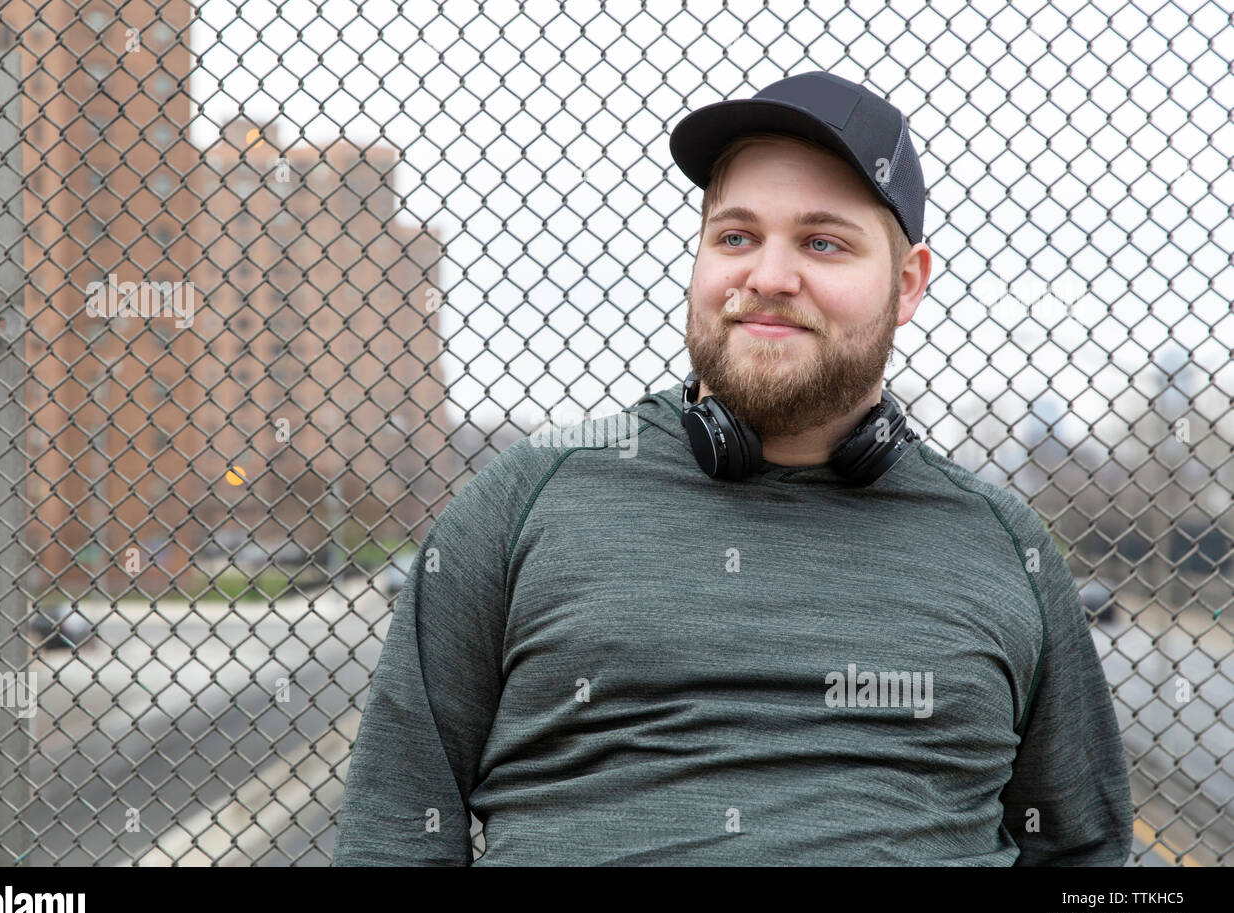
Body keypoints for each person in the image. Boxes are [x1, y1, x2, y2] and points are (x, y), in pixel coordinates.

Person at [332, 71, 1133, 866]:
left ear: (907, 284)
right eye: (737, 237)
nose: (769, 278)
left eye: (823, 243)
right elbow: (393, 831)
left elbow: (1084, 857)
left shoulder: (1003, 546)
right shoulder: (521, 502)